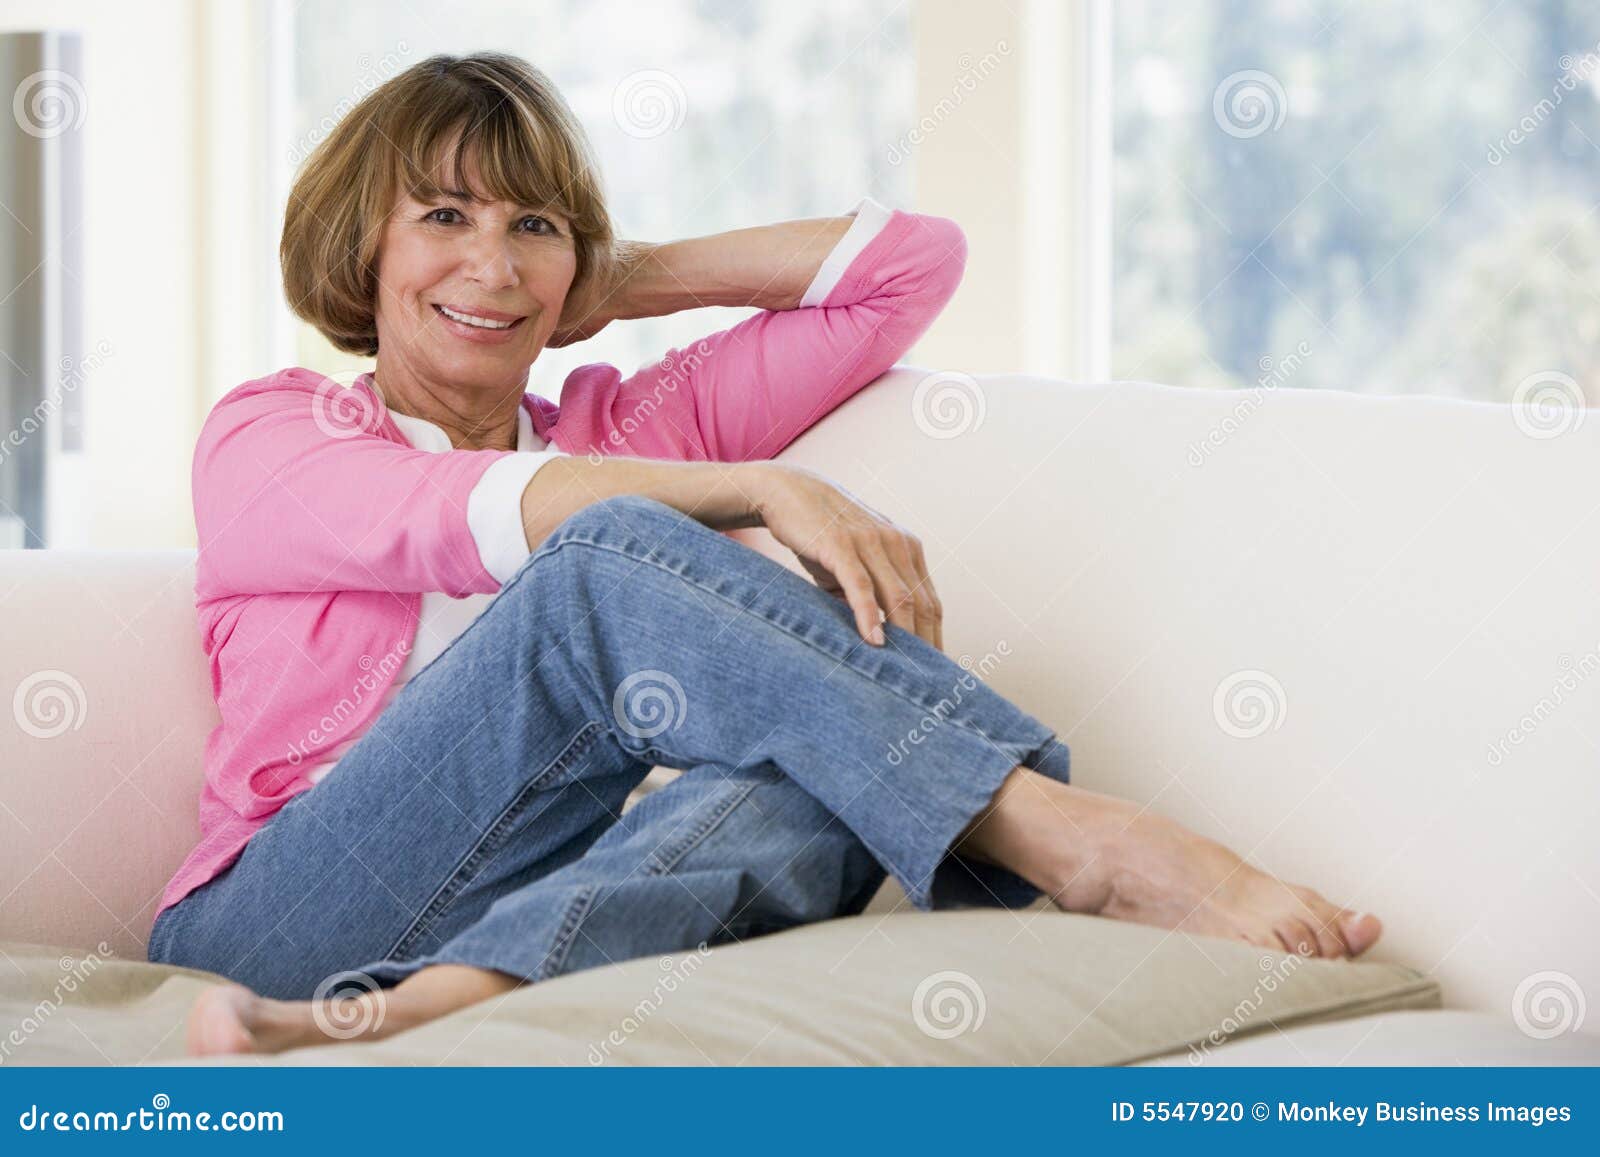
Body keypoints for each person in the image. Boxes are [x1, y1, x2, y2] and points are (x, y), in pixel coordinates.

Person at [147, 52, 1381, 1056]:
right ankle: (1073, 832)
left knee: (837, 754)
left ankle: (450, 997)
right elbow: (476, 509)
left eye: (533, 223)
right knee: (610, 553)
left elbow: (907, 269)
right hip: (282, 912)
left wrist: (616, 276)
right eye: (444, 217)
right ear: (362, 247)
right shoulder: (272, 434)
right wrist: (756, 484)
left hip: (537, 891)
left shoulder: (624, 426)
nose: (493, 262)